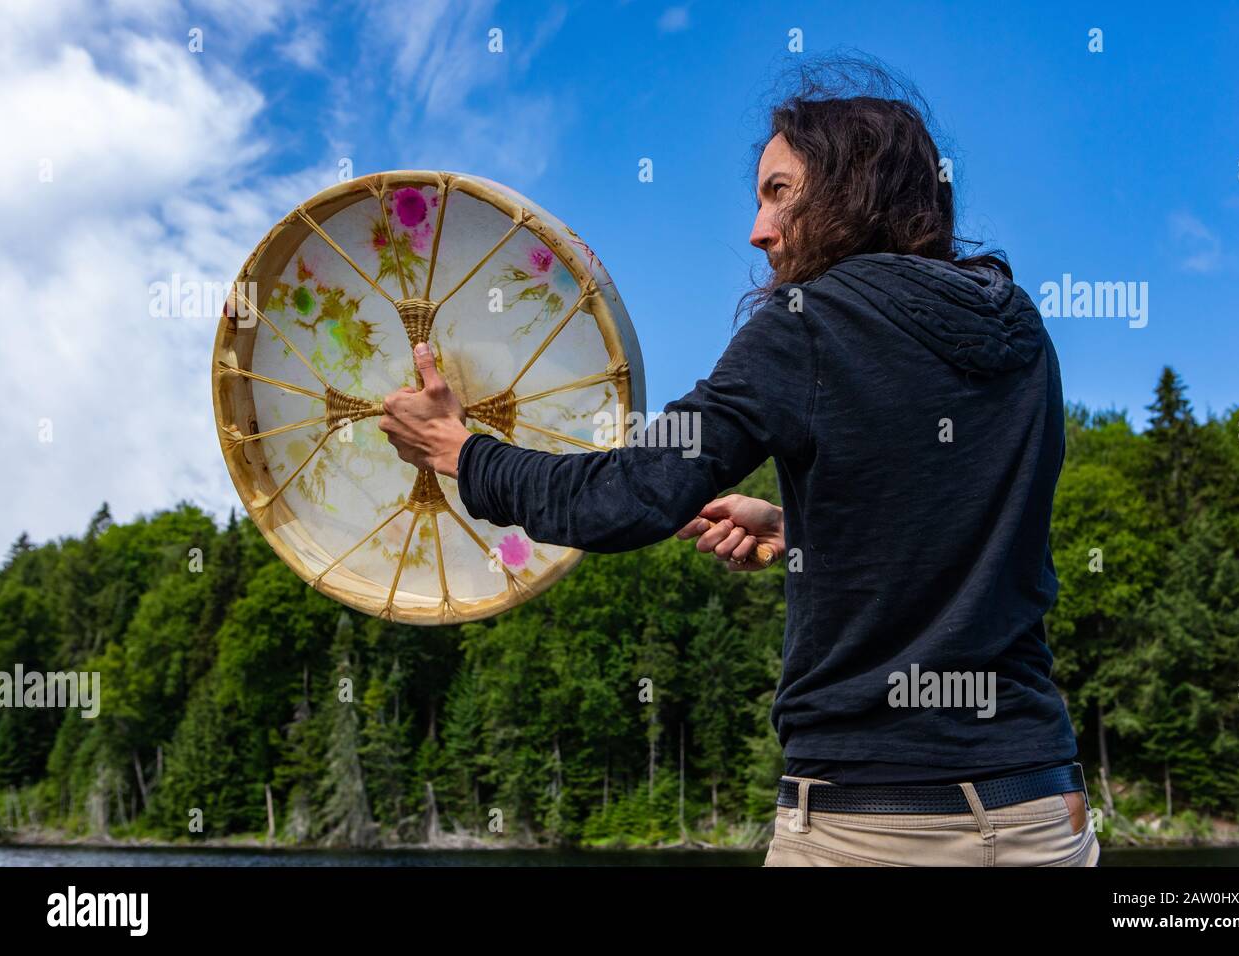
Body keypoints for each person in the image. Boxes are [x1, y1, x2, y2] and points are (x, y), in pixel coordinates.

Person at [378, 57, 1098, 867]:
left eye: (779, 192)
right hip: (1044, 810)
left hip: (874, 824)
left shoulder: (808, 322)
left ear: (851, 188)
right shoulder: (1023, 330)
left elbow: (619, 498)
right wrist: (798, 529)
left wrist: (461, 451)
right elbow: (960, 530)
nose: (757, 228)